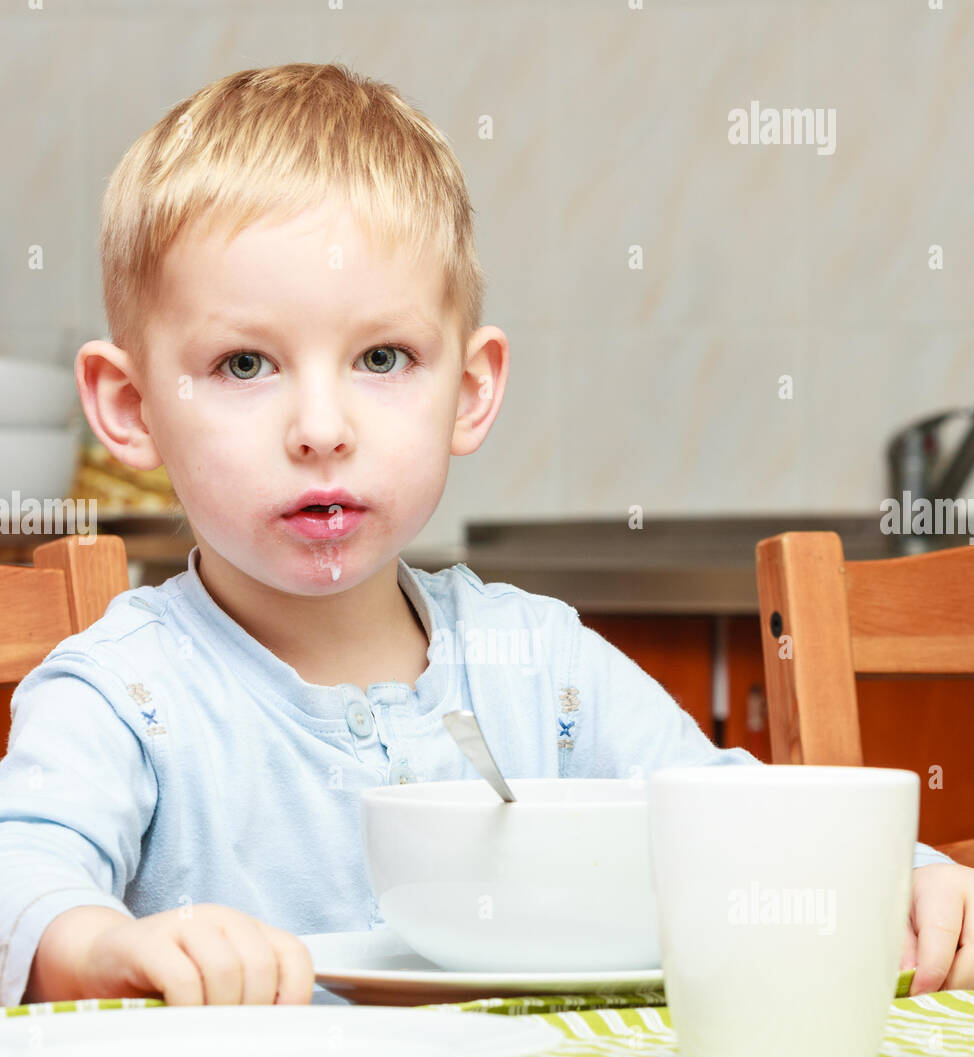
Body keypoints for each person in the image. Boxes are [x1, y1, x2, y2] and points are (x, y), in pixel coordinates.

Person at [0, 64, 968, 1009]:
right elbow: (24, 883)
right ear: (128, 409)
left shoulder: (538, 664)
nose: (321, 426)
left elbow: (728, 818)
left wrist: (909, 879)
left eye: (382, 357)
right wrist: (106, 947)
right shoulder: (121, 694)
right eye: (244, 362)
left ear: (467, 392)